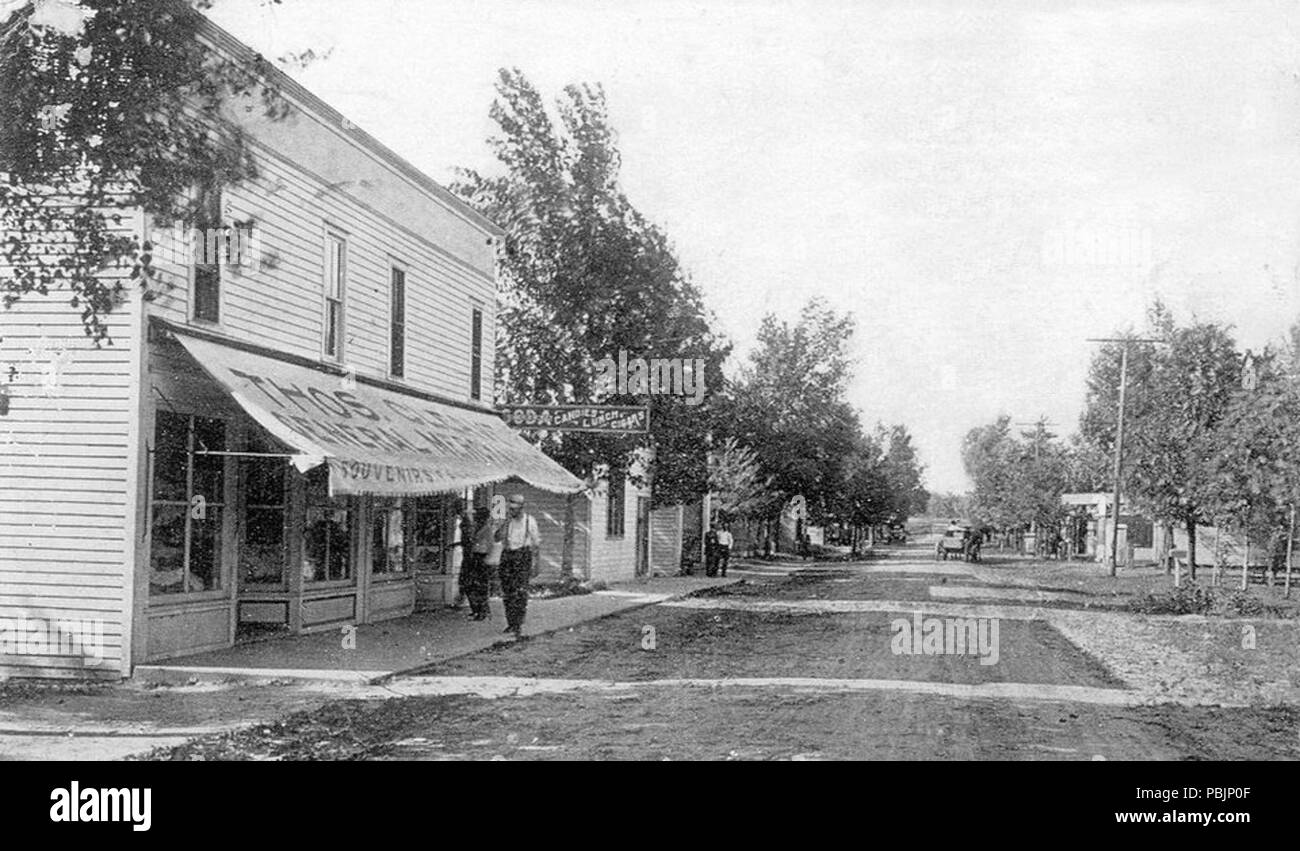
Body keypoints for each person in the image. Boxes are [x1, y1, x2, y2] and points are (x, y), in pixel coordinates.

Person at [496, 493, 540, 638]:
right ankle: (511, 623)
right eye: (510, 509)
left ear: (521, 508)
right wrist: (503, 524)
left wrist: (536, 564)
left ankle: (518, 623)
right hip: (508, 555)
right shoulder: (507, 521)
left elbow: (536, 544)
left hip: (523, 556)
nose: (511, 511)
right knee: (508, 591)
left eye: (514, 509)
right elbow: (497, 538)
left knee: (520, 591)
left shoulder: (529, 521)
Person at [462, 507, 495, 621]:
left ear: (483, 517)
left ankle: (483, 611)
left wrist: (488, 559)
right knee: (472, 585)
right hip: (475, 557)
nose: (475, 517)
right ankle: (476, 610)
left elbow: (491, 546)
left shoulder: (487, 529)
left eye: (478, 515)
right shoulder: (476, 527)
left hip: (482, 558)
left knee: (481, 586)